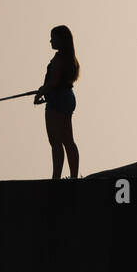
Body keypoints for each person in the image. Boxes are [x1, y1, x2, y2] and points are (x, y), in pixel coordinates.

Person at [35, 25, 80, 179]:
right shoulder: (69, 58)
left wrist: (41, 91)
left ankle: (56, 177)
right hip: (67, 97)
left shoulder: (59, 58)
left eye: (53, 37)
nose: (50, 41)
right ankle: (73, 176)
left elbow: (53, 82)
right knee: (68, 140)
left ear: (61, 40)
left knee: (55, 141)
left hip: (58, 101)